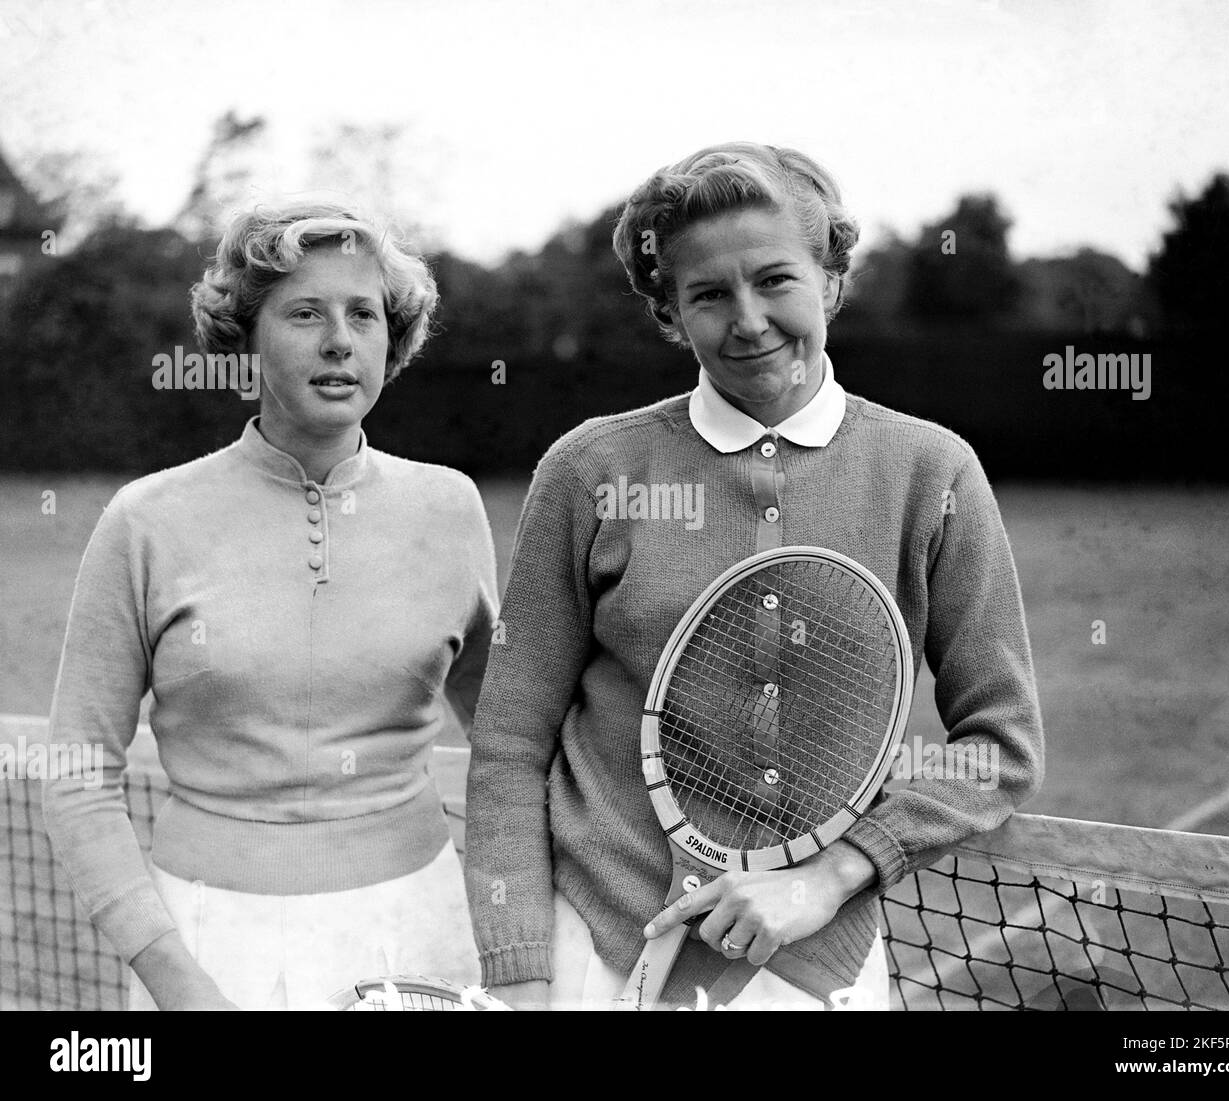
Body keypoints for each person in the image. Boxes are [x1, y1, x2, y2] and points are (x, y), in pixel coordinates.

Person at [464, 143, 1044, 1010]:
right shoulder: (589, 470)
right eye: (708, 294)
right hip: (593, 953)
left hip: (820, 966)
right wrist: (517, 975)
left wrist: (834, 874)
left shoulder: (934, 472)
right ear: (669, 314)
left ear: (832, 280)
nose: (748, 319)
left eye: (775, 280)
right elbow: (509, 744)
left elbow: (1000, 743)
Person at [43, 201, 498, 1010]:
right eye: (304, 313)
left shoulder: (450, 507)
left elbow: (512, 745)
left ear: (392, 338)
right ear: (246, 336)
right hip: (209, 948)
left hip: (421, 932)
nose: (338, 339)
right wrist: (175, 978)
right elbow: (77, 775)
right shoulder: (145, 519)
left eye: (364, 313)